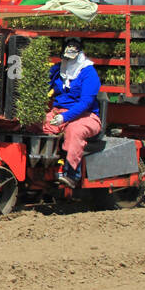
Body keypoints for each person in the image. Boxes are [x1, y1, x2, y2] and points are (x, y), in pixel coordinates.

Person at [44, 37, 102, 187]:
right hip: (59, 112)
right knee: (37, 126)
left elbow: (86, 103)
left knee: (74, 131)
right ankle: (45, 166)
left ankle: (72, 173)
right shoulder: (59, 69)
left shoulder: (89, 73)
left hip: (85, 115)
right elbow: (43, 83)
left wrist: (65, 117)